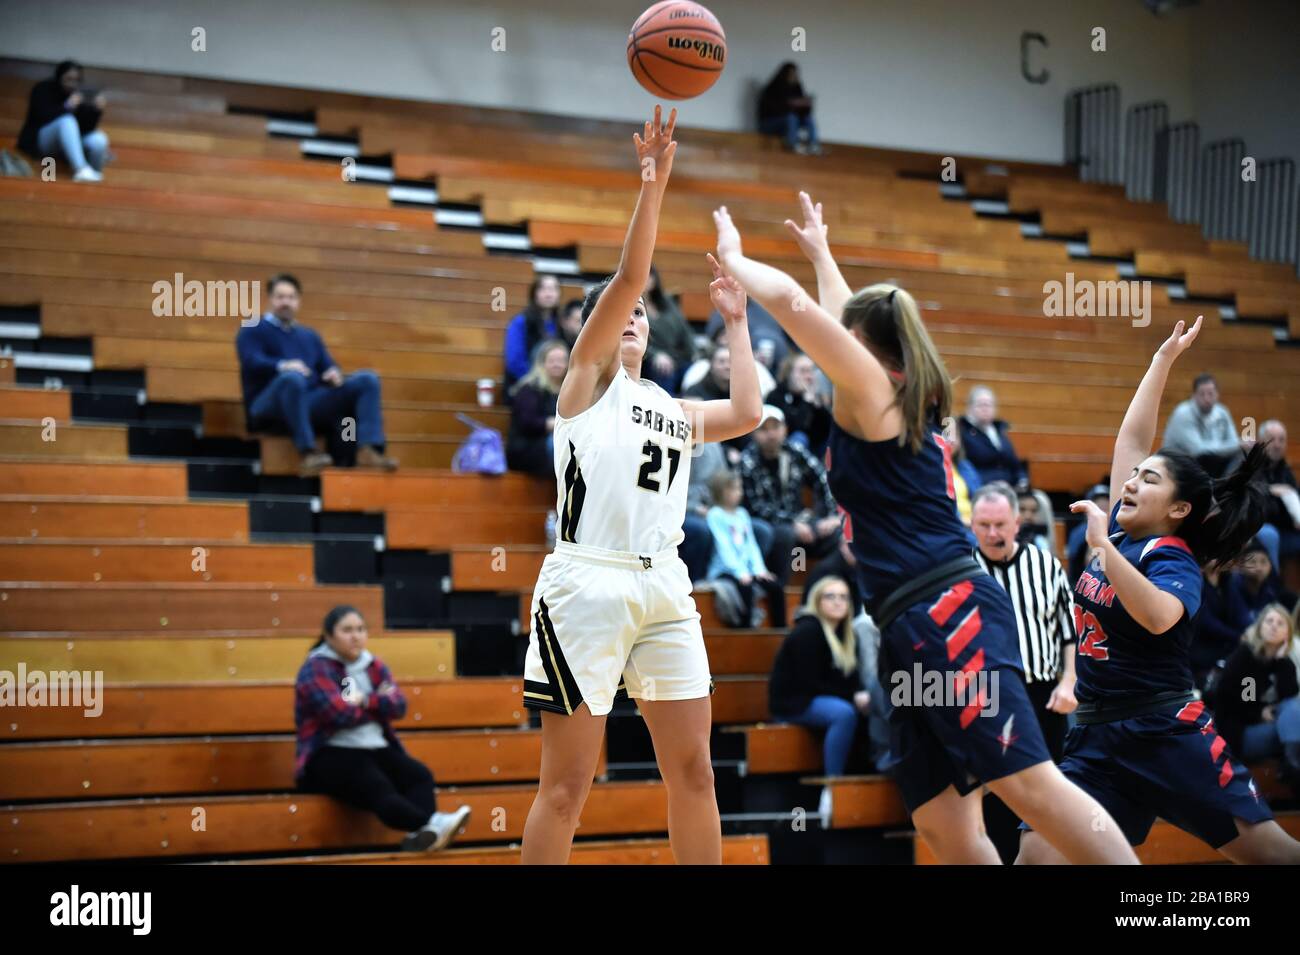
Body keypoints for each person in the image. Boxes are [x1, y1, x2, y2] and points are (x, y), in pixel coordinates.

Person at [716, 189, 1137, 864]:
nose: (834, 341)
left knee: (1028, 783)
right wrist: (824, 252)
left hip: (947, 613)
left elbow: (798, 308)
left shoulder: (874, 391)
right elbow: (838, 314)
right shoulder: (888, 386)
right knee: (944, 825)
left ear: (861, 347)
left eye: (845, 335)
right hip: (908, 624)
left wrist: (737, 258)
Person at [519, 107, 763, 866]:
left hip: (664, 583)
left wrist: (735, 323)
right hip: (584, 584)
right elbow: (630, 278)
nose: (628, 319)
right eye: (614, 314)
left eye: (637, 319)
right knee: (566, 786)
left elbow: (750, 410)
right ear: (596, 325)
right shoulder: (585, 385)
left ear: (652, 333)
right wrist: (652, 183)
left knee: (692, 769)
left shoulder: (671, 406)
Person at [1017, 316, 1300, 864]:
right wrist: (1162, 361)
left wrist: (1103, 551)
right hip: (1097, 736)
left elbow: (1158, 616)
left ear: (1177, 509)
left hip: (1165, 731)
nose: (1130, 480)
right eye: (1133, 475)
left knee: (1272, 854)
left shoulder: (1169, 555)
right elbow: (1132, 438)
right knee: (1037, 855)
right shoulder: (1123, 532)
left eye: (1149, 480)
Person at [295, 605, 472, 851]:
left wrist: (365, 700)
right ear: (328, 636)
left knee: (419, 775)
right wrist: (378, 702)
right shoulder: (316, 668)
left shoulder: (373, 665)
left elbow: (398, 705)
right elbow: (338, 714)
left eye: (360, 629)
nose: (355, 636)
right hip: (330, 753)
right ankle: (431, 826)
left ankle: (423, 838)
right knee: (378, 785)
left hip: (374, 747)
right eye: (347, 630)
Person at [969, 482, 1080, 862]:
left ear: (1018, 522)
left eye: (999, 524)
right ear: (971, 524)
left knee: (1049, 793)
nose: (992, 533)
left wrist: (1069, 681)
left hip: (1044, 694)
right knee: (999, 792)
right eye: (983, 525)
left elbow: (1070, 632)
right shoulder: (963, 571)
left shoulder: (1045, 565)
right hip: (990, 696)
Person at [236, 273, 397, 477]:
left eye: (291, 297)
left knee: (367, 379)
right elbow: (251, 361)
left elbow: (327, 365)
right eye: (280, 297)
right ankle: (308, 452)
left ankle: (368, 449)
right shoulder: (253, 328)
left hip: (306, 403)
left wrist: (334, 373)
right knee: (292, 378)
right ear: (270, 299)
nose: (286, 302)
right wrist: (283, 365)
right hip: (267, 405)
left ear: (299, 301)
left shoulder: (309, 336)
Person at [769, 576, 872, 816]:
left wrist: (858, 695)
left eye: (843, 597)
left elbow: (850, 679)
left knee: (868, 706)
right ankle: (832, 785)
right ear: (817, 600)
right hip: (794, 702)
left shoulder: (847, 635)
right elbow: (809, 683)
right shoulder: (808, 631)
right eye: (830, 596)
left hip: (820, 698)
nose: (838, 602)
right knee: (844, 714)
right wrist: (852, 697)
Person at [739, 405, 842, 571]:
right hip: (769, 524)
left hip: (801, 520)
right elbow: (756, 507)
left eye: (776, 427)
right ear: (753, 433)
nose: (771, 434)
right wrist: (792, 523)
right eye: (764, 429)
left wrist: (831, 516)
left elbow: (823, 480)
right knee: (787, 536)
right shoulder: (747, 461)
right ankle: (783, 589)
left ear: (785, 429)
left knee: (838, 535)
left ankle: (824, 584)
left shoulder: (795, 452)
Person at [1212, 605, 1299, 784]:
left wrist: (1281, 662)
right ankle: (1294, 767)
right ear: (1260, 627)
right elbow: (1243, 705)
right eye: (1269, 621)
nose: (1274, 626)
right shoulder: (1246, 658)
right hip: (1241, 734)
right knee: (1292, 726)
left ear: (1287, 634)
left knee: (1292, 709)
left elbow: (1289, 697)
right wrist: (1260, 713)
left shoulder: (1285, 664)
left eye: (1280, 623)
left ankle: (1293, 766)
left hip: (1276, 727)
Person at [705, 470, 786, 628]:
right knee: (745, 589)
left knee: (775, 586)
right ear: (722, 491)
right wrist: (739, 572)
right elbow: (723, 547)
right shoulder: (715, 515)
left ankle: (780, 630)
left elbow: (751, 545)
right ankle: (745, 631)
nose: (739, 493)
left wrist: (759, 570)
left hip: (747, 571)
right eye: (734, 489)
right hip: (725, 570)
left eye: (739, 488)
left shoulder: (742, 514)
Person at [17, 60, 109, 182]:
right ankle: (80, 169)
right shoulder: (43, 89)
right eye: (68, 79)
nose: (72, 83)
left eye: (76, 80)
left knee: (99, 139)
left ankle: (94, 174)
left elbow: (85, 129)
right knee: (67, 121)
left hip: (67, 147)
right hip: (41, 141)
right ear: (59, 77)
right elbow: (42, 116)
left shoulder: (77, 94)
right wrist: (67, 106)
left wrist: (96, 111)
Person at [1161, 373, 1243, 479]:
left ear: (1217, 395)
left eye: (1210, 394)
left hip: (1208, 465)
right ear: (1194, 395)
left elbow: (1233, 442)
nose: (1206, 398)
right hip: (1179, 467)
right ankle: (1218, 490)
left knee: (1244, 456)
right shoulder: (1183, 413)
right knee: (1208, 457)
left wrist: (1239, 446)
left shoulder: (1222, 412)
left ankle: (1223, 491)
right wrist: (1237, 445)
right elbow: (1198, 450)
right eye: (1202, 394)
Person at [506, 339, 567, 476]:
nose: (557, 365)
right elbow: (527, 422)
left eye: (561, 360)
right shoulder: (529, 388)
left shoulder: (568, 389)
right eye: (552, 360)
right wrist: (553, 424)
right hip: (528, 447)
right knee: (560, 446)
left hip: (552, 443)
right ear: (542, 363)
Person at [1223, 538, 1298, 633]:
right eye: (1252, 562)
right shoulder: (1232, 587)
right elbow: (1243, 623)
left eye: (1263, 562)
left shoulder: (1270, 590)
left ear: (1270, 566)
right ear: (1240, 566)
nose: (1259, 567)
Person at [957, 386, 1026, 487]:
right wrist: (992, 483)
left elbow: (1014, 463)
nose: (985, 408)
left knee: (1040, 498)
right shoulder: (963, 432)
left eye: (989, 404)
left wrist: (1022, 479)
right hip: (981, 487)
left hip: (1009, 486)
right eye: (980, 404)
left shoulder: (999, 430)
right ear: (970, 408)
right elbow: (965, 468)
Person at [1253, 420, 1300, 567]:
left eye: (1281, 440)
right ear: (1261, 441)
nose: (1277, 445)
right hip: (1255, 530)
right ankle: (1272, 587)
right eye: (1272, 439)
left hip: (1283, 529)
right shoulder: (1249, 465)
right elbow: (1250, 503)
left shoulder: (1285, 470)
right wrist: (1270, 490)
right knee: (1270, 534)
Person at [643, 265, 696, 394]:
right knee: (663, 369)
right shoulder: (630, 304)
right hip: (650, 358)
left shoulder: (667, 301)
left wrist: (693, 352)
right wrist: (655, 354)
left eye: (650, 275)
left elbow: (684, 330)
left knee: (698, 372)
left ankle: (694, 411)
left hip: (678, 357)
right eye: (642, 274)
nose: (646, 279)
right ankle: (668, 412)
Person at [503, 275, 562, 392]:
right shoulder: (520, 322)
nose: (548, 294)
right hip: (526, 386)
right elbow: (515, 361)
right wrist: (538, 383)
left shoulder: (561, 324)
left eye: (553, 289)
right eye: (543, 289)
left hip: (555, 388)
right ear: (534, 294)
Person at [768, 352, 832, 455]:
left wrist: (818, 406)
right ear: (789, 373)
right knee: (799, 437)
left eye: (811, 371)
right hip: (784, 449)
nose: (808, 376)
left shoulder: (814, 394)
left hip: (814, 449)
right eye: (803, 371)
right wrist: (806, 402)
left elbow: (827, 429)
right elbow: (792, 429)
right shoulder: (776, 395)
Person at [757, 61, 820, 155]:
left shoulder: (797, 88)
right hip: (769, 123)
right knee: (791, 117)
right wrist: (791, 104)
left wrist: (805, 104)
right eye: (791, 73)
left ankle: (813, 145)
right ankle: (793, 145)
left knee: (808, 119)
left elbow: (803, 111)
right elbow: (773, 109)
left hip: (788, 124)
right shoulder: (773, 88)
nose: (793, 76)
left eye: (795, 74)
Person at [1067, 483, 1111, 582]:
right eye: (1097, 509)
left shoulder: (1119, 533)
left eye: (1106, 509)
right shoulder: (1080, 533)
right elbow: (1092, 567)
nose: (1101, 514)